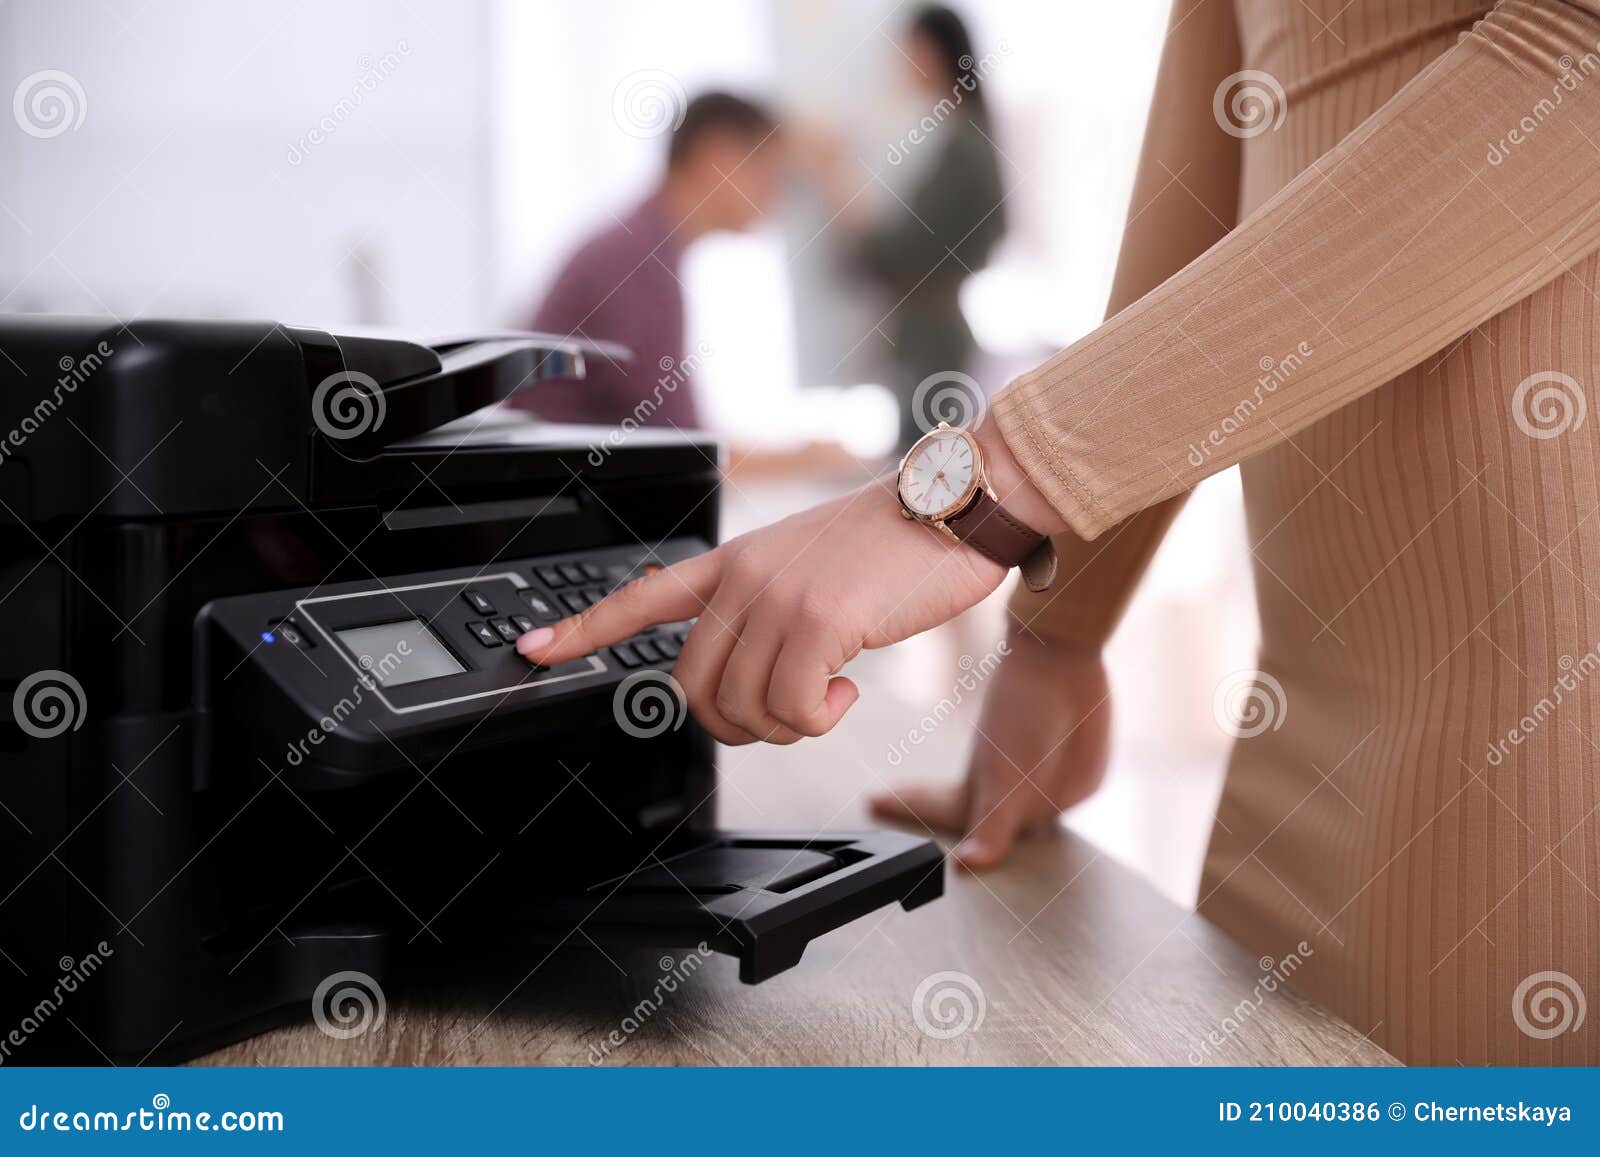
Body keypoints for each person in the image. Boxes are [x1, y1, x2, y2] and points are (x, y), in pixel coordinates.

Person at [518, 0, 1600, 1066]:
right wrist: (1056, 627)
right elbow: (1204, 200)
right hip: (1308, 705)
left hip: (1531, 677)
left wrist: (990, 488)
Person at [509, 92, 780, 428]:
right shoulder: (637, 261)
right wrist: (808, 456)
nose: (776, 192)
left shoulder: (645, 242)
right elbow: (681, 443)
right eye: (769, 170)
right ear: (718, 154)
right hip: (565, 472)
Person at [810, 4, 1006, 451]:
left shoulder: (963, 146)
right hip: (932, 340)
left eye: (906, 50)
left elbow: (896, 253)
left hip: (932, 345)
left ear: (930, 51)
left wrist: (833, 175)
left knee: (926, 476)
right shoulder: (962, 137)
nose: (899, 63)